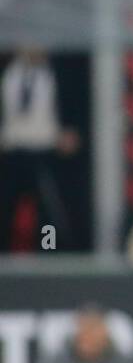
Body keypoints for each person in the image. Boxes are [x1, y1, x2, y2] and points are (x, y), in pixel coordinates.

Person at [0, 46, 78, 251]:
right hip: (12, 151)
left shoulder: (57, 73)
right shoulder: (8, 72)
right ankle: (5, 254)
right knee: (6, 207)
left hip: (45, 151)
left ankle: (48, 250)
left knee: (48, 211)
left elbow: (73, 108)